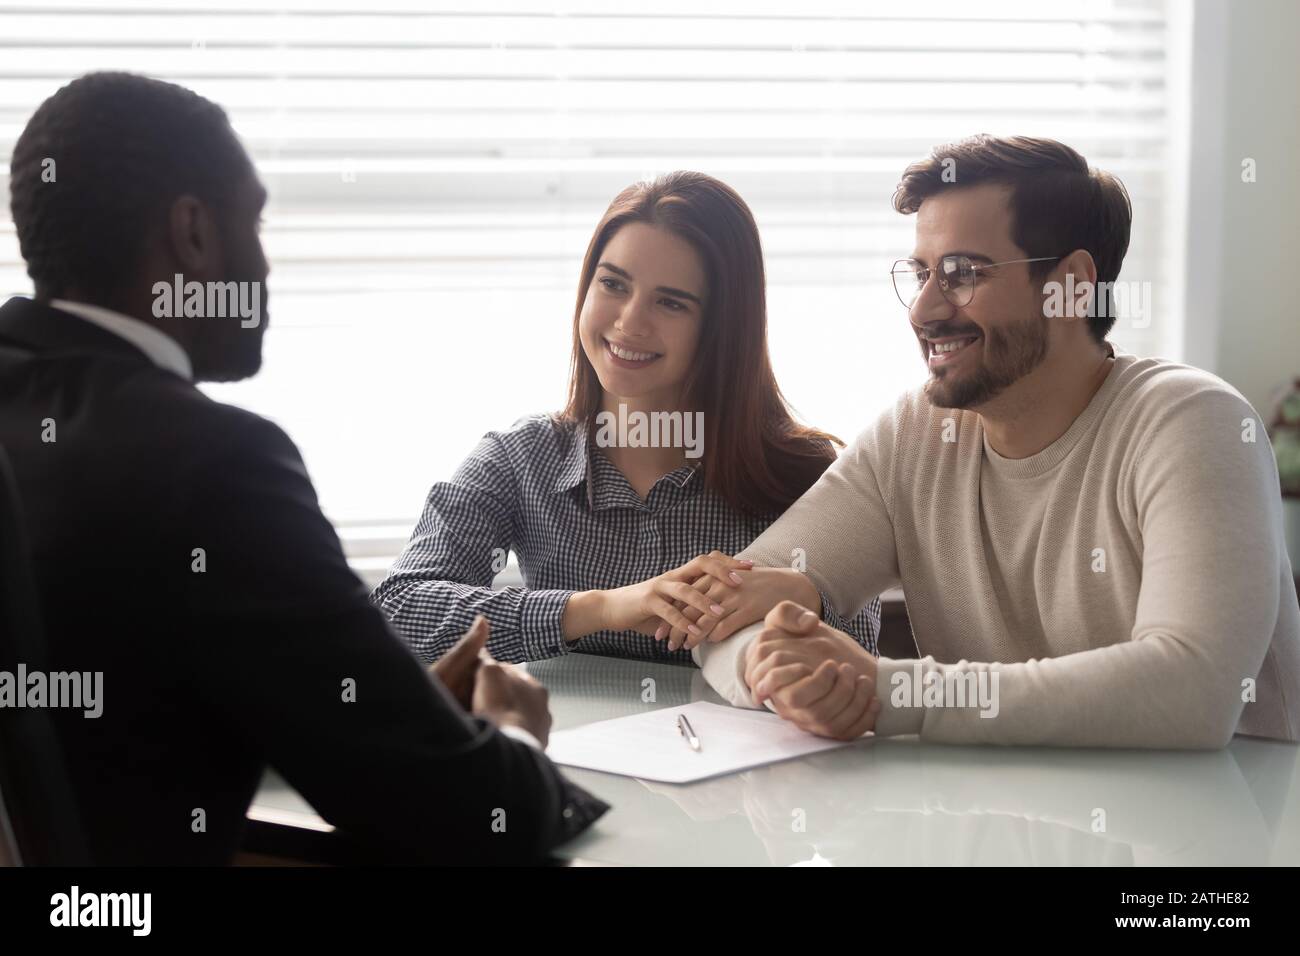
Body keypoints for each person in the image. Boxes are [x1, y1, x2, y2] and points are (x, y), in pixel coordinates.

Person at [0, 71, 605, 864]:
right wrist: (514, 734)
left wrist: (405, 712)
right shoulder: (213, 463)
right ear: (192, 232)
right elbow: (468, 813)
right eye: (252, 221)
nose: (266, 266)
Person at [681, 135, 1300, 749]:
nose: (924, 311)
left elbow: (1192, 691)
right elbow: (720, 607)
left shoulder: (1194, 423)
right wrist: (775, 670)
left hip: (1230, 823)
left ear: (1072, 284)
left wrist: (895, 692)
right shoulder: (915, 434)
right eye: (921, 273)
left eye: (962, 273)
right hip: (1012, 825)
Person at [372, 172, 880, 665]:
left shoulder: (803, 473)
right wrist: (602, 607)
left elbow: (857, 658)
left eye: (670, 303)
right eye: (613, 284)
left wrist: (800, 599)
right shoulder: (521, 458)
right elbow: (397, 612)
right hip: (562, 750)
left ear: (723, 327)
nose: (629, 321)